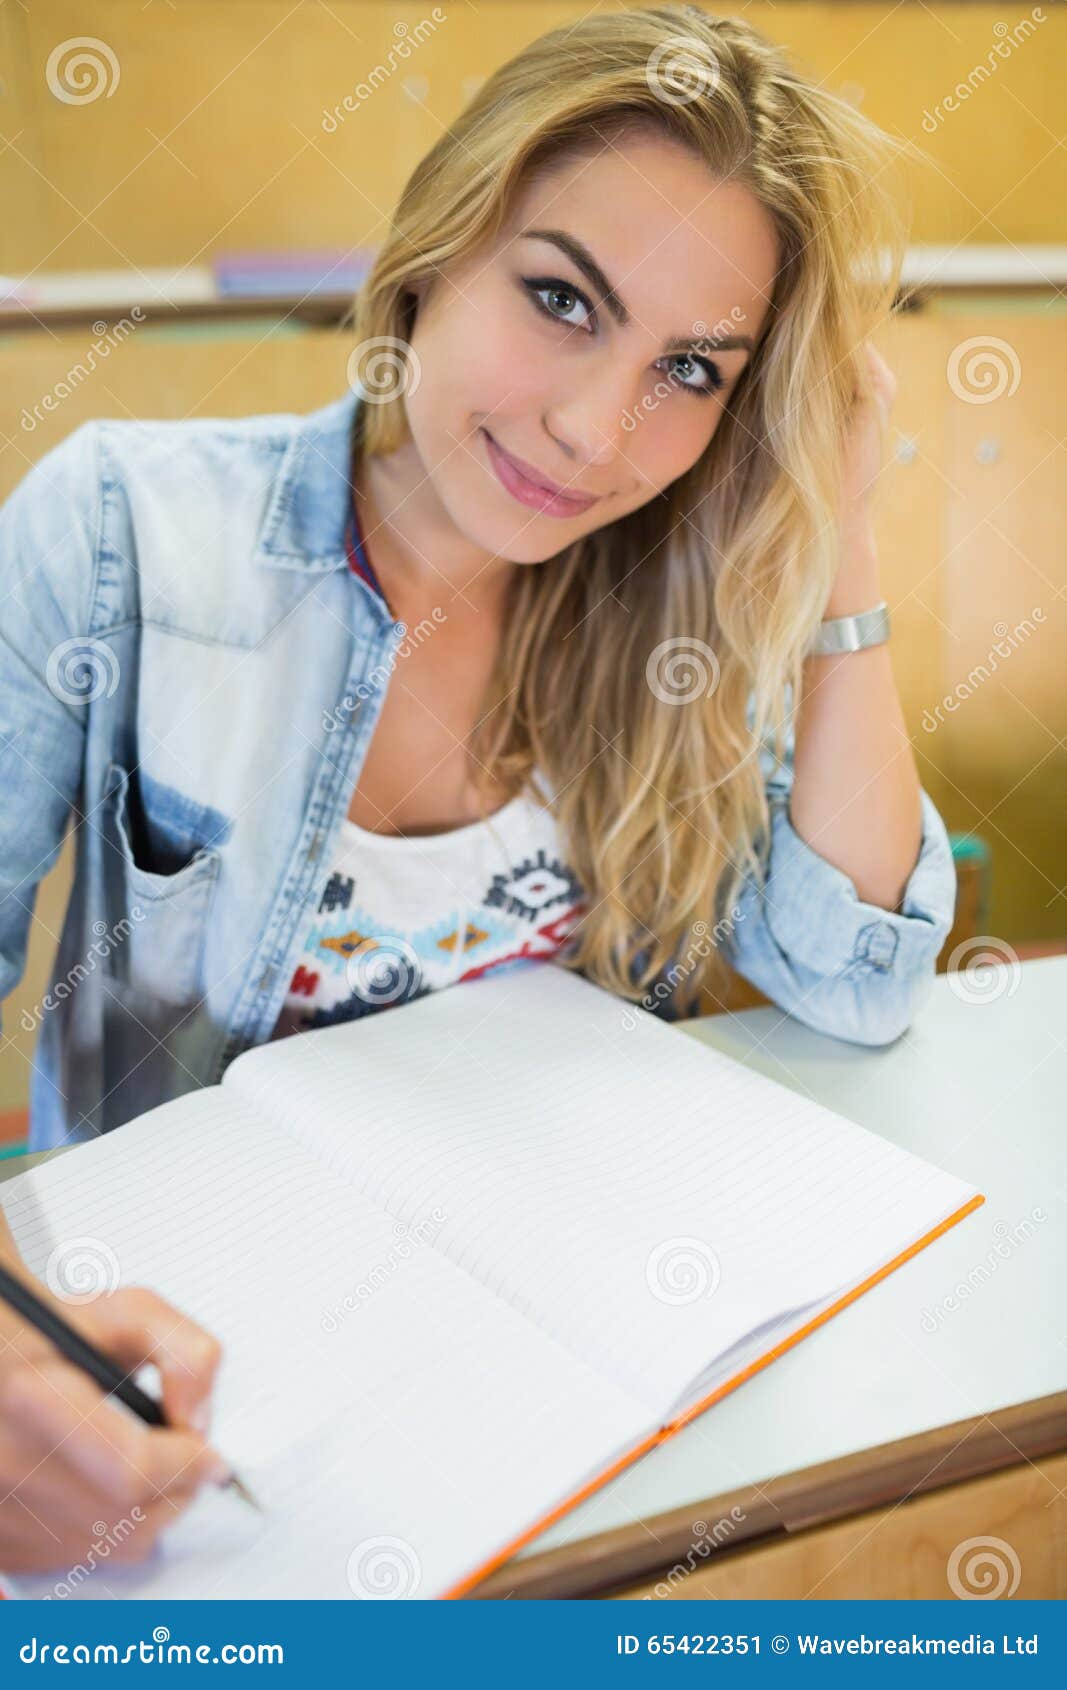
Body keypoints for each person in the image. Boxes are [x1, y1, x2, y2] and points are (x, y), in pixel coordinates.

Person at [0, 6, 955, 1574]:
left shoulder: (667, 622)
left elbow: (855, 984)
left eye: (693, 368)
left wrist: (834, 540)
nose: (596, 431)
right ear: (441, 248)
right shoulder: (121, 538)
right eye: (563, 297)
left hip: (559, 1419)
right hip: (192, 1418)